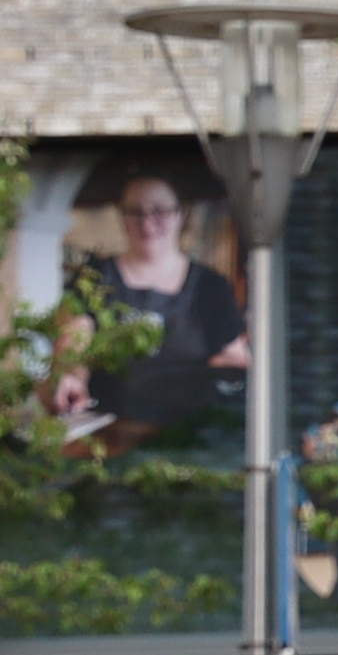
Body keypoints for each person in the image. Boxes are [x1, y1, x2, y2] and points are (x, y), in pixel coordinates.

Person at [46, 164, 245, 449]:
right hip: (110, 435)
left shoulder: (210, 287)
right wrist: (70, 375)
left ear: (179, 214)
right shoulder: (96, 277)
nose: (147, 222)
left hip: (188, 439)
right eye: (135, 212)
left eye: (159, 211)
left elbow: (233, 357)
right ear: (122, 217)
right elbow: (75, 337)